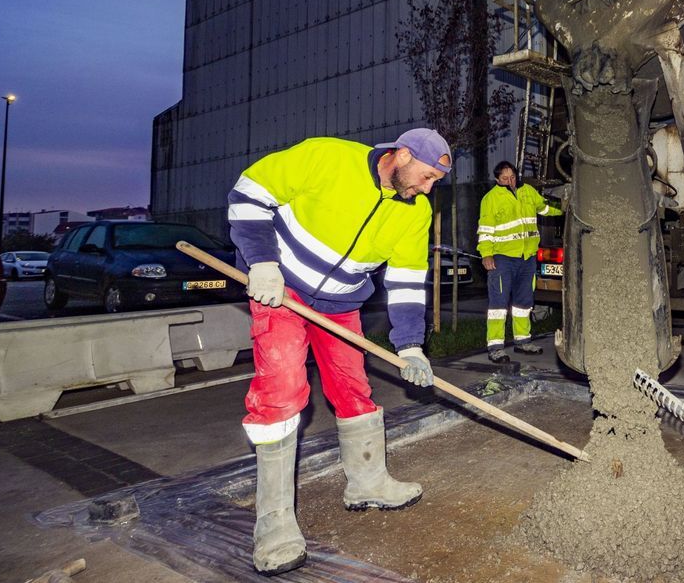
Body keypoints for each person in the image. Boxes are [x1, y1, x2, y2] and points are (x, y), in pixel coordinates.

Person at [226, 128, 451, 575]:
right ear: (401, 155)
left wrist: (411, 347)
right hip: (281, 289)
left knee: (354, 389)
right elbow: (250, 191)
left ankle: (367, 483)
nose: (427, 189)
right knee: (282, 391)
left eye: (433, 183)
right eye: (425, 177)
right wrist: (262, 262)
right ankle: (274, 524)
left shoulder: (415, 211)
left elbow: (406, 280)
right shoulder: (327, 157)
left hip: (341, 303)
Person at [476, 160, 563, 363]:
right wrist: (486, 255)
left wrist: (565, 209)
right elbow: (486, 230)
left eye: (512, 177)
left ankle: (523, 342)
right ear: (497, 179)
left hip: (527, 258)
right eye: (505, 178)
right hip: (502, 259)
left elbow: (544, 209)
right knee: (498, 304)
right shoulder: (491, 199)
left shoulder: (528, 192)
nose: (510, 181)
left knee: (523, 303)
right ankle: (495, 347)